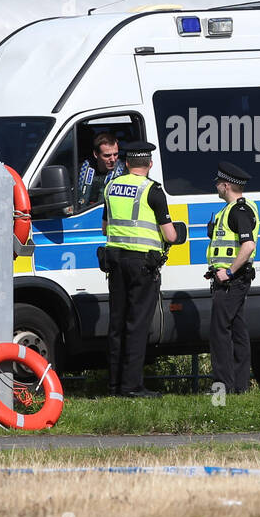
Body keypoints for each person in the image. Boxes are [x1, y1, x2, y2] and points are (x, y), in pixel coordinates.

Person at [101, 140, 177, 398]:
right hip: (142, 264)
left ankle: (114, 386)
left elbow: (105, 227)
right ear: (150, 164)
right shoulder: (153, 191)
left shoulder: (111, 186)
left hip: (115, 261)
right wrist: (177, 235)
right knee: (137, 324)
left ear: (126, 163)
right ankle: (132, 386)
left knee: (117, 323)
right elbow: (169, 234)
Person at [206, 161, 259, 396]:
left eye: (218, 183)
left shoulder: (239, 210)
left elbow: (248, 245)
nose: (216, 186)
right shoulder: (230, 210)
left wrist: (228, 272)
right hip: (231, 281)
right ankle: (239, 387)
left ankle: (221, 390)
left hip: (231, 281)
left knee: (219, 333)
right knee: (237, 331)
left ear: (226, 185)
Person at [72, 132, 126, 214]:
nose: (113, 159)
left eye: (115, 154)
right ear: (96, 154)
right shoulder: (79, 171)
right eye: (107, 156)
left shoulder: (124, 173)